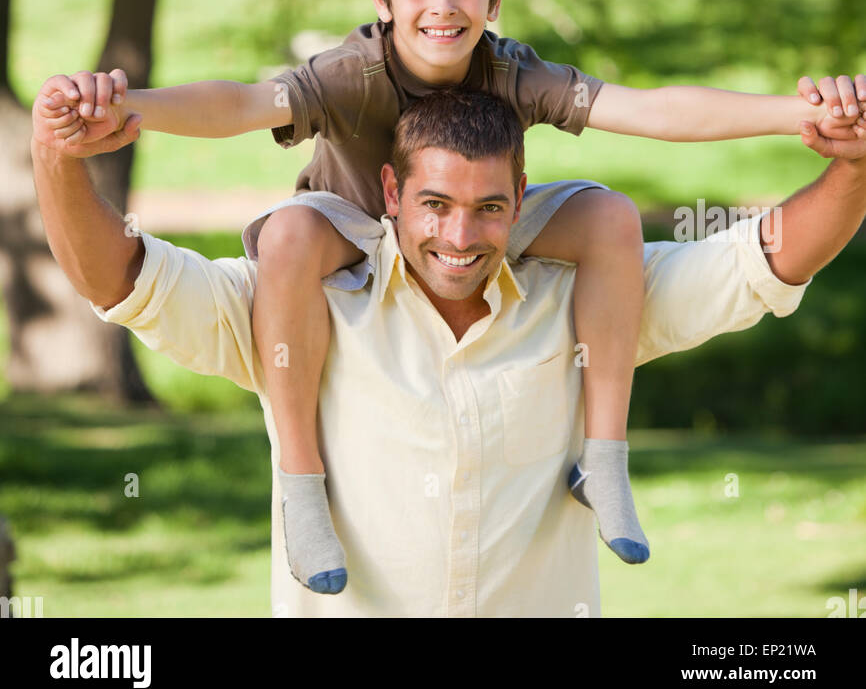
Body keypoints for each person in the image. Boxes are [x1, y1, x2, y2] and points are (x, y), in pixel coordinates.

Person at [37, 0, 866, 592]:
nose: (442, 5)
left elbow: (651, 110)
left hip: (474, 216)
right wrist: (128, 108)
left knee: (612, 214)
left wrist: (801, 116)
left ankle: (604, 457)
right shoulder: (351, 75)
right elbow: (241, 105)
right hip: (355, 226)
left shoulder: (512, 71)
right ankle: (301, 482)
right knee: (289, 234)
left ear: (494, 0)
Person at [30, 83, 866, 618]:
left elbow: (760, 261)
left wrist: (853, 166)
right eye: (434, 204)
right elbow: (122, 279)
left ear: (523, 201)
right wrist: (58, 159)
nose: (460, 237)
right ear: (390, 193)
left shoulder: (584, 305)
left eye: (488, 208)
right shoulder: (302, 309)